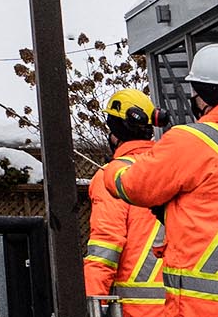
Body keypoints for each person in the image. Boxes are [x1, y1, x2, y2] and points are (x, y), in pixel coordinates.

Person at [104, 45, 218, 315]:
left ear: (202, 96)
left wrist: (117, 164)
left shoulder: (190, 141)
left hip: (203, 308)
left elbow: (132, 185)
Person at [86, 89, 170, 316]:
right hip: (185, 305)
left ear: (115, 133)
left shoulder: (111, 177)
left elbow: (104, 250)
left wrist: (91, 307)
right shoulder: (173, 169)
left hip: (139, 310)